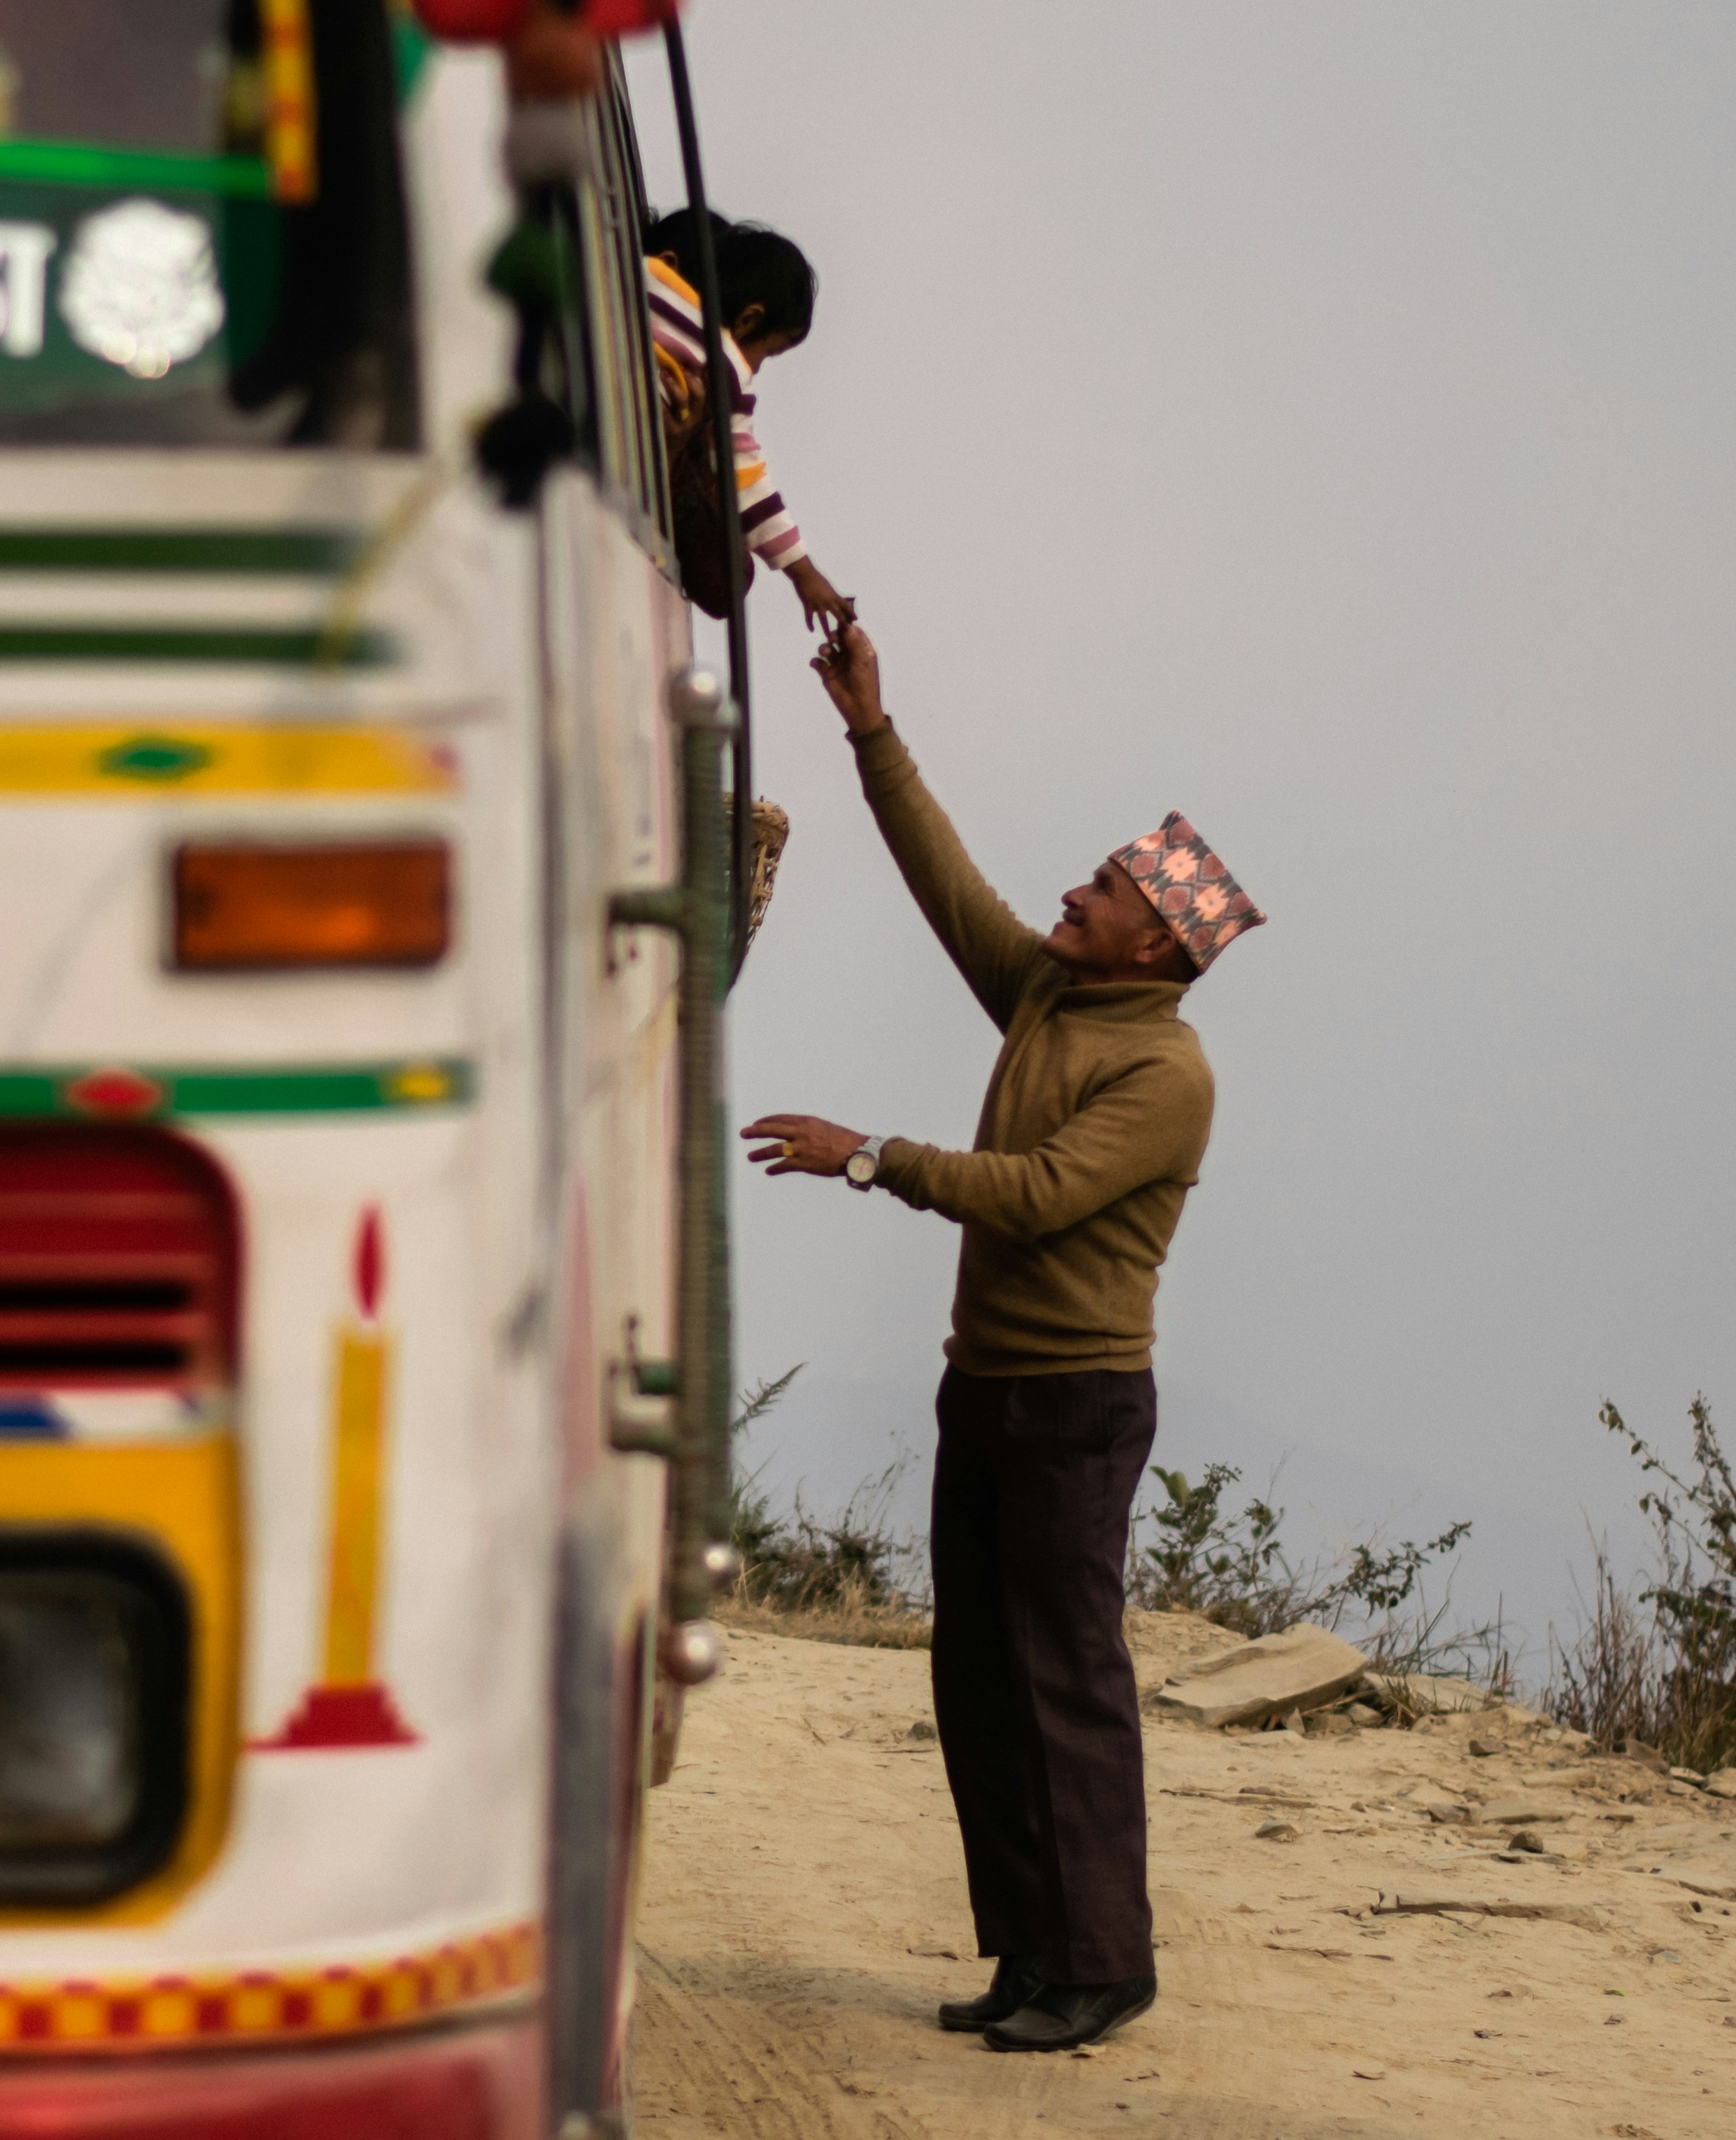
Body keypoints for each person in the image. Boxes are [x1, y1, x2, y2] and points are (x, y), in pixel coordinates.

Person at [739, 623, 1265, 2055]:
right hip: (985, 1390)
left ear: (1157, 936)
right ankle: (1032, 1949)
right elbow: (942, 881)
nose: (1066, 893)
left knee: (1065, 1686)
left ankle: (1105, 1962)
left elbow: (1032, 1198)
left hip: (1075, 1405)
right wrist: (869, 732)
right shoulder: (1049, 988)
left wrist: (868, 1155)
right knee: (979, 1679)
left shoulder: (1164, 1070)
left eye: (1097, 887)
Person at [643, 209, 854, 636]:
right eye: (768, 354)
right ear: (748, 320)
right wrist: (804, 574)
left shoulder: (640, 274)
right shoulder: (726, 377)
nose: (756, 368)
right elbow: (749, 482)